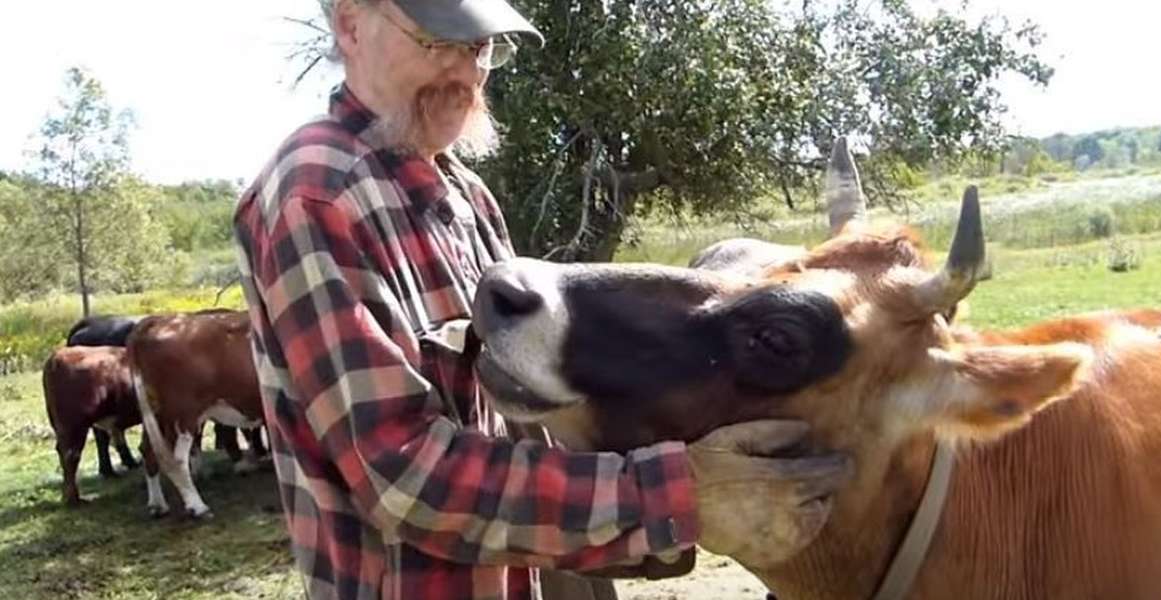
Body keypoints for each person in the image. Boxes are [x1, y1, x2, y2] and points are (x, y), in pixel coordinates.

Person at [233, 1, 852, 598]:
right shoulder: (316, 196)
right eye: (439, 41)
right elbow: (401, 475)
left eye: (479, 47)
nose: (465, 72)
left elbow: (525, 418)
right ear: (349, 24)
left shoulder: (464, 194)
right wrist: (674, 495)